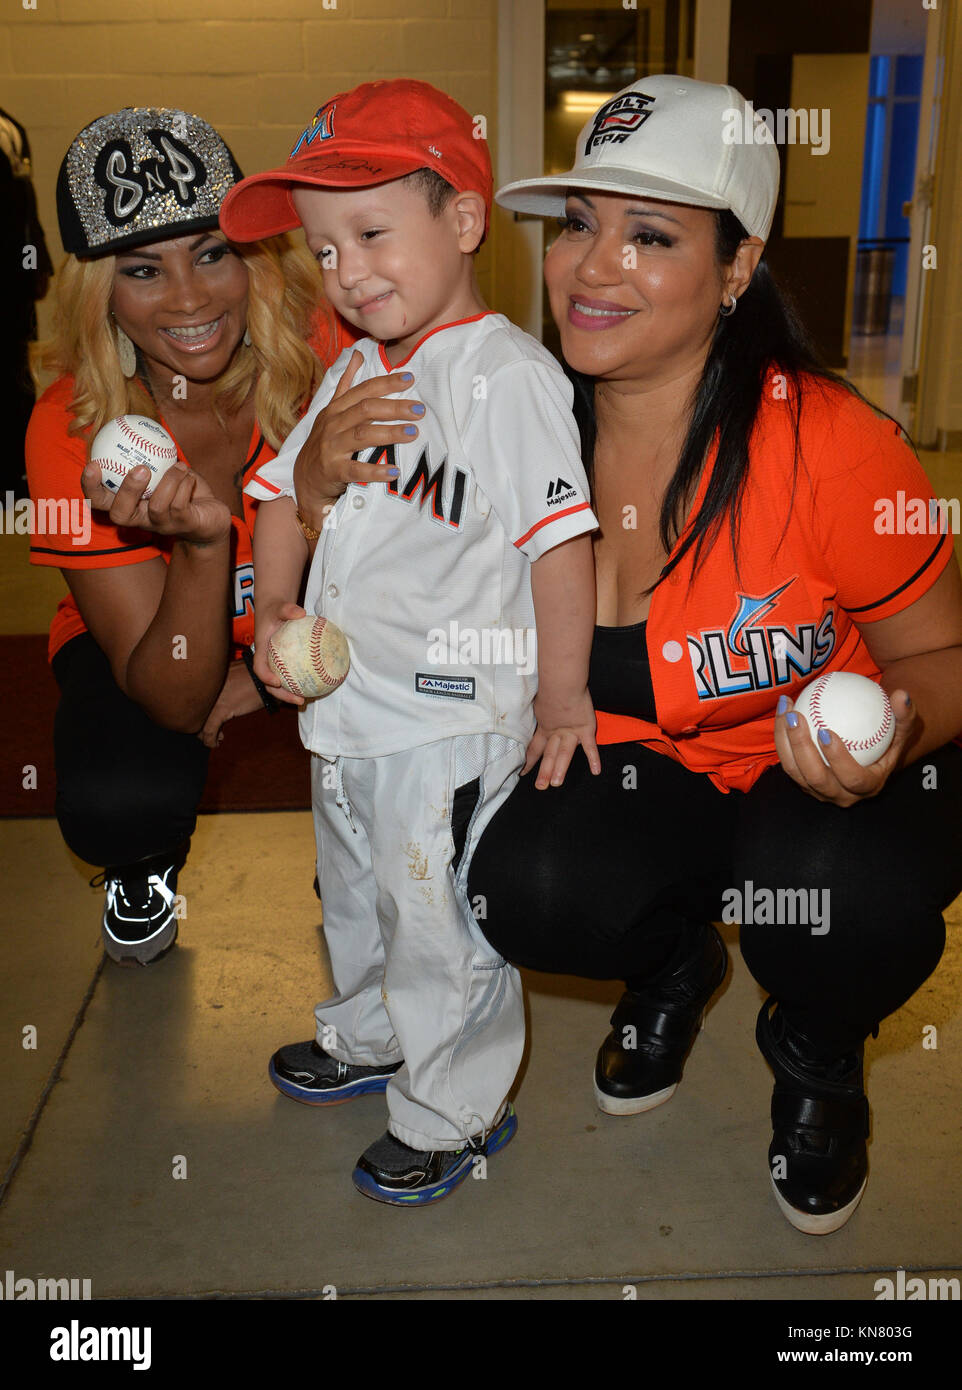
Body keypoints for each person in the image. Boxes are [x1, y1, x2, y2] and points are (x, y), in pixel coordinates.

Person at [468, 75, 962, 1235]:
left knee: (845, 898)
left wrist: (893, 733)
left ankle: (817, 1048)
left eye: (649, 235)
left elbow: (942, 654)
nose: (593, 267)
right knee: (523, 881)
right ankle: (675, 964)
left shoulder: (835, 446)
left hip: (820, 795)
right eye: (578, 223)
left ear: (737, 270)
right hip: (659, 778)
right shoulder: (511, 428)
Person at [218, 78, 600, 1206]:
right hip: (347, 710)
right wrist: (274, 610)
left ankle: (453, 1110)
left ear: (465, 222)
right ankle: (371, 1033)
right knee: (355, 895)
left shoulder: (504, 377)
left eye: (371, 233)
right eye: (325, 251)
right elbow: (277, 496)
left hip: (447, 716)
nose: (346, 273)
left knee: (439, 921)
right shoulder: (351, 367)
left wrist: (564, 696)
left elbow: (558, 545)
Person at [26, 106, 364, 966]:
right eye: (144, 269)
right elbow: (173, 695)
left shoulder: (329, 346)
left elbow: (417, 551)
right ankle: (143, 866)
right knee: (120, 798)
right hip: (147, 642)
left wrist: (261, 668)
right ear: (100, 292)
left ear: (251, 256)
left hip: (322, 616)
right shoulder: (67, 427)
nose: (190, 298)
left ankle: (377, 859)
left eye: (212, 252)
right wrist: (204, 549)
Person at [1, 107, 53, 498]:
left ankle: (17, 472)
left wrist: (36, 265)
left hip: (13, 281)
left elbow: (25, 216)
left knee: (15, 371)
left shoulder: (9, 127)